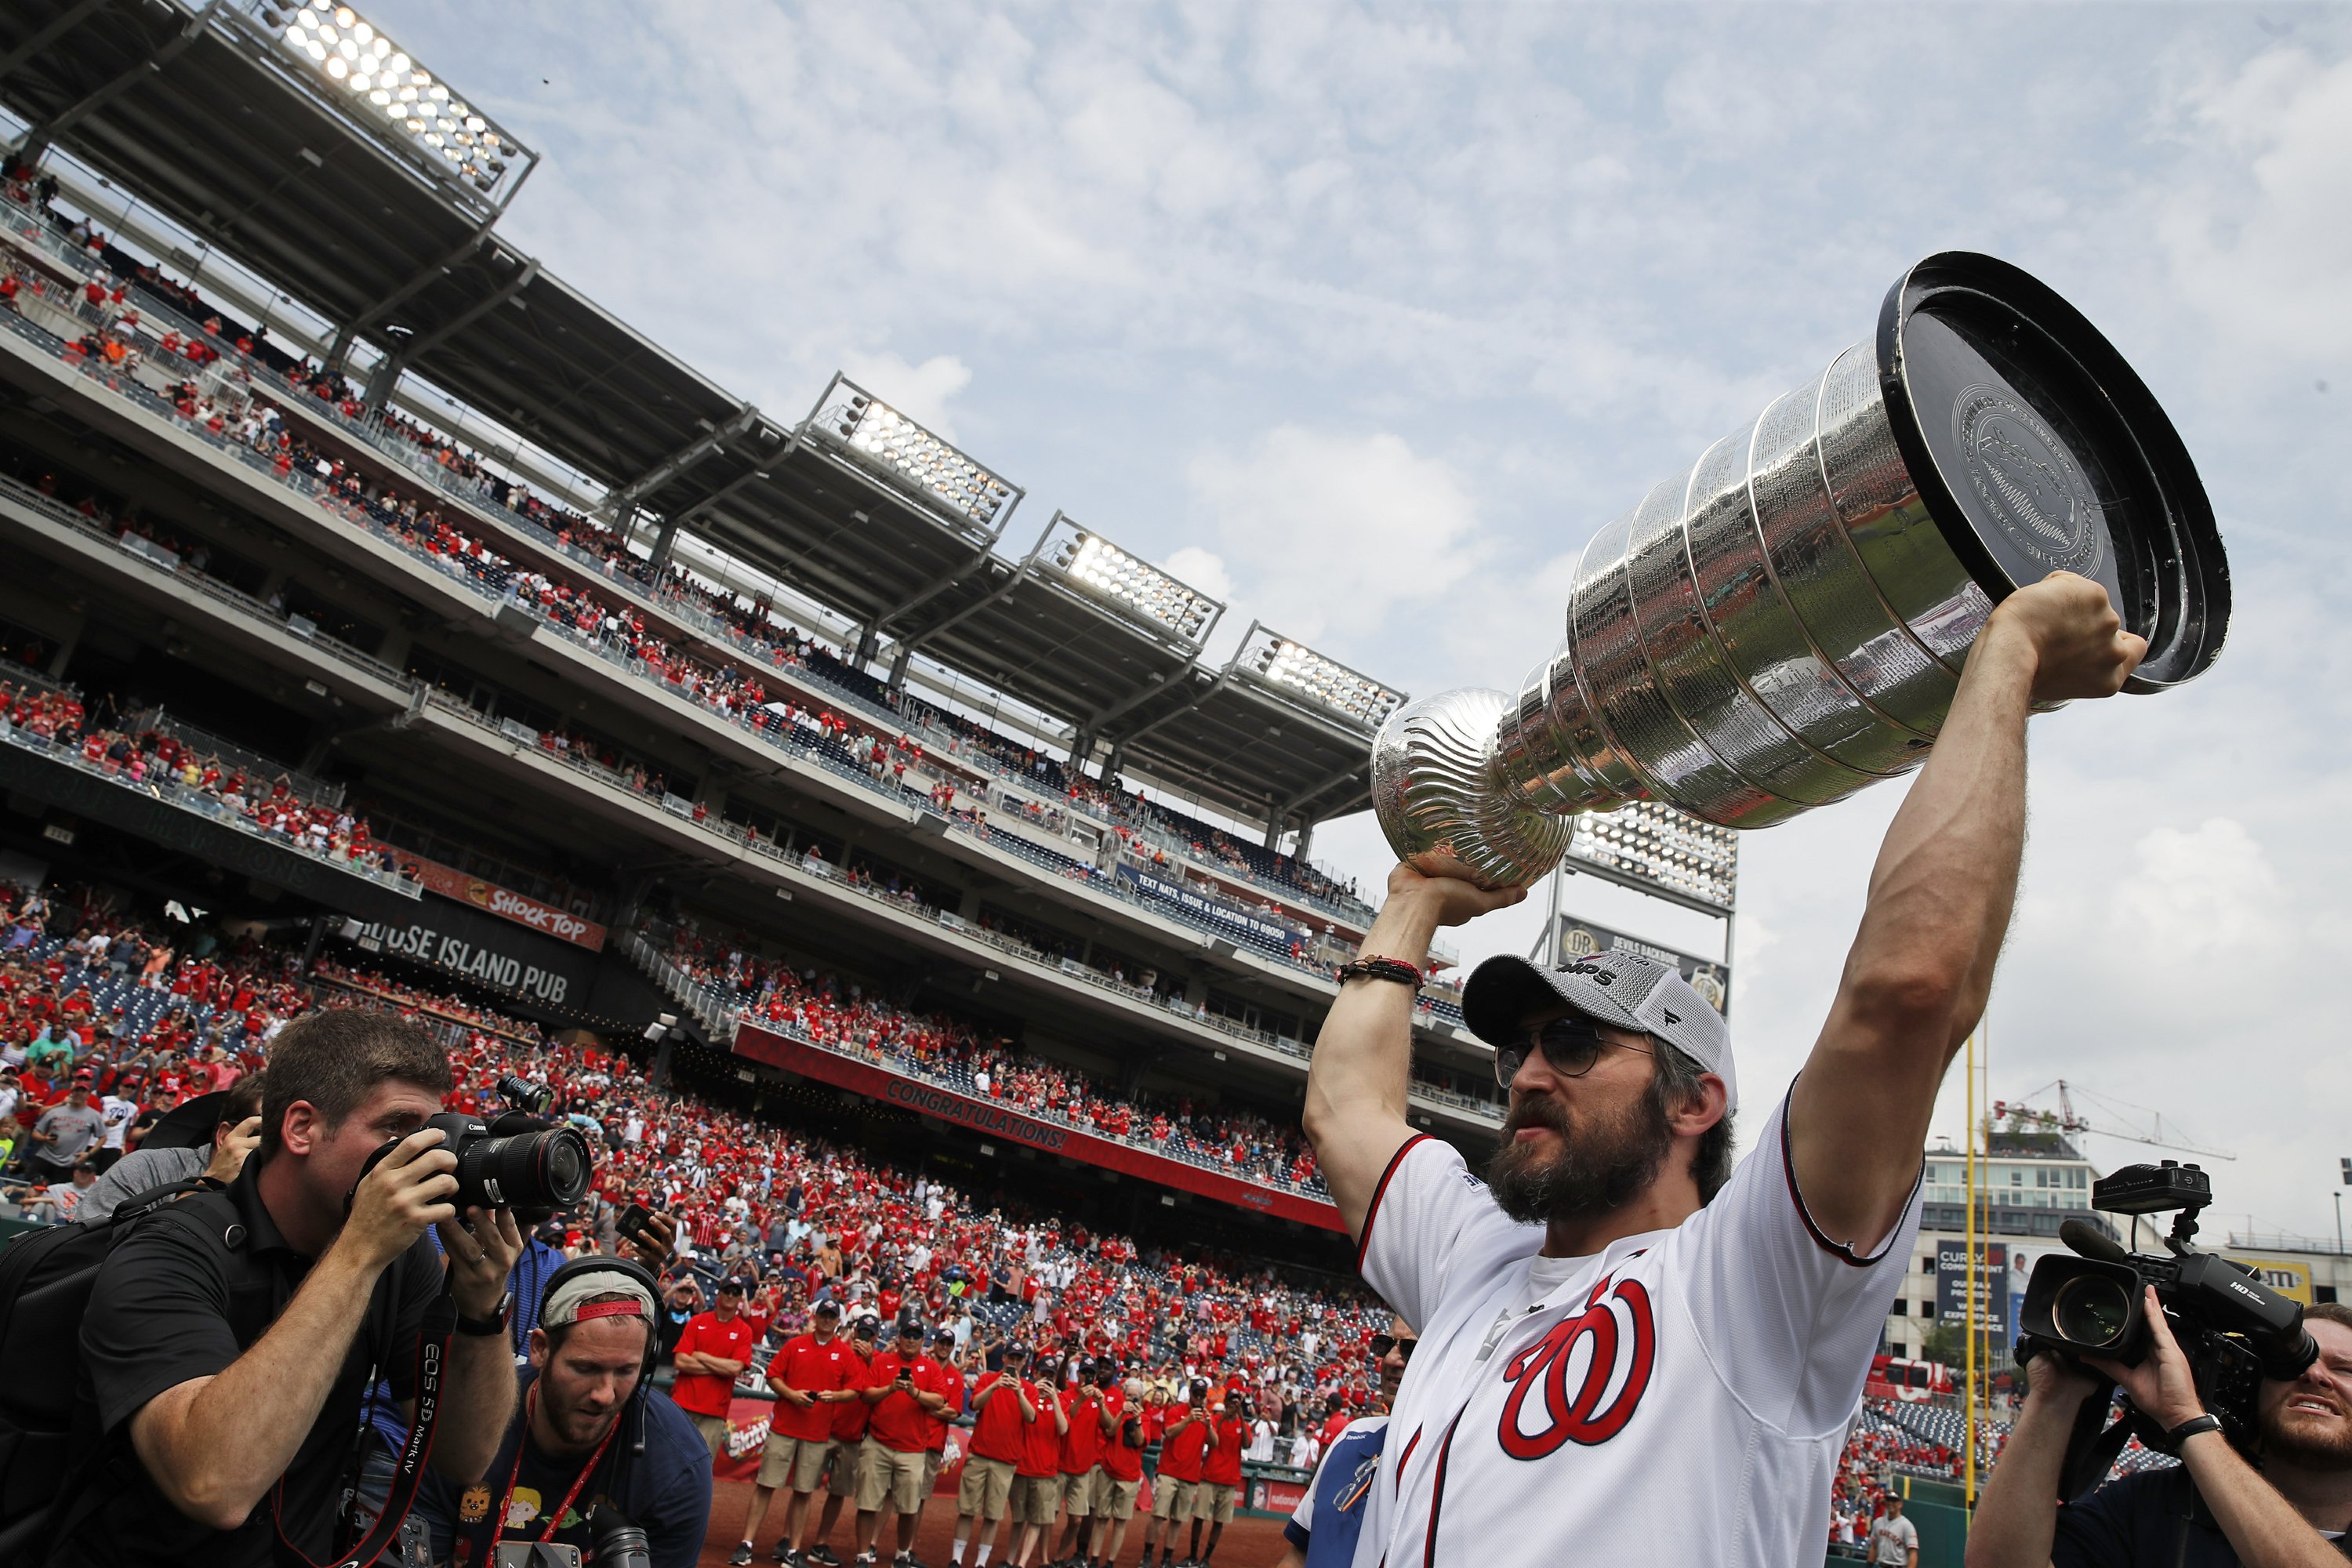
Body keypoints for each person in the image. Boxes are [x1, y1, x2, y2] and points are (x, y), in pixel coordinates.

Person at [1301, 572, 2143, 1566]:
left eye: (1575, 1044)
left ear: (1696, 1099)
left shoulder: (1752, 1280)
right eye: (1518, 1047)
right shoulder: (1473, 1259)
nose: (1528, 1072)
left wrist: (2007, 655)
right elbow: (1346, 1110)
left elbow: (1907, 991)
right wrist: (1414, 902)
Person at [53, 1008, 523, 1566]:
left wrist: (481, 1312)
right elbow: (213, 1485)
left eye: (428, 1133)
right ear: (302, 1128)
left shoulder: (401, 1257)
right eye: (395, 1129)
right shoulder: (170, 1246)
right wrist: (358, 1252)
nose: (420, 1155)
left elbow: (465, 1455)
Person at [1965, 1299, 2352, 1567]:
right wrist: (2055, 1396)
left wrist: (2188, 1418)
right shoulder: (2152, 1505)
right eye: (2293, 1361)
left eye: (2345, 1369)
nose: (2314, 1374)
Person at [415, 1257, 713, 1568]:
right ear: (540, 1350)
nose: (604, 1394)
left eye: (627, 1370)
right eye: (584, 1368)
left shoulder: (678, 1465)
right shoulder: (465, 1420)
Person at [1276, 1323, 1414, 1568]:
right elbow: (1299, 1555)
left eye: (1410, 1349)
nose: (1392, 1360)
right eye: (1387, 1345)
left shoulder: (1459, 1463)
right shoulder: (1351, 1435)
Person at [735, 1298, 862, 1566]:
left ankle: (793, 1550)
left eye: (832, 1316)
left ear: (838, 1321)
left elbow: (855, 1390)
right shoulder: (795, 1345)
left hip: (817, 1433)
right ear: (815, 1317)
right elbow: (773, 1375)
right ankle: (746, 1543)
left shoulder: (845, 1353)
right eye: (823, 1315)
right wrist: (792, 1394)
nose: (827, 1320)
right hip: (785, 1426)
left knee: (804, 1491)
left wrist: (835, 1396)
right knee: (766, 1484)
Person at [78, 1077, 263, 1221]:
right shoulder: (145, 1171)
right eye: (267, 1131)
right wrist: (209, 1184)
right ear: (225, 1137)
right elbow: (85, 1258)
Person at [856, 1314, 953, 1568]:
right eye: (907, 1335)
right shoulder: (883, 1361)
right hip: (878, 1442)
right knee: (868, 1503)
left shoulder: (931, 1368)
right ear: (898, 1337)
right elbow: (866, 1395)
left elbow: (940, 1401)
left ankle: (902, 1554)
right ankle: (863, 1555)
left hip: (912, 1448)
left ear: (923, 1341)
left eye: (916, 1336)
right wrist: (890, 1389)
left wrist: (914, 1392)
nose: (911, 1340)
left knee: (910, 1508)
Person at [952, 1342, 1036, 1568]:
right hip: (980, 1453)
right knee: (967, 1510)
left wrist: (1019, 1393)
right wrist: (996, 1386)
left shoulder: (1028, 1388)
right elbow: (976, 1403)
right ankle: (956, 1558)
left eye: (1019, 1359)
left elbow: (1031, 1418)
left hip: (1005, 1461)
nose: (1015, 1363)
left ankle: (981, 1562)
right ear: (1005, 1358)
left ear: (1024, 1361)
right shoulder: (988, 1379)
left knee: (992, 1514)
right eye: (1012, 1358)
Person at [673, 1276, 759, 1457]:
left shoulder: (744, 1331)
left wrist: (701, 1356)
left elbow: (735, 1368)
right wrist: (721, 1367)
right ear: (719, 1293)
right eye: (727, 1291)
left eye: (735, 1293)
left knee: (700, 1467)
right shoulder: (698, 1321)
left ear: (740, 1298)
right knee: (669, 1459)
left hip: (714, 1411)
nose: (730, 1295)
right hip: (682, 1404)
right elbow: (681, 1362)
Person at [1143, 1380, 1207, 1568]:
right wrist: (1188, 1420)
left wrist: (1209, 1425)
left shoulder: (1206, 1417)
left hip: (1190, 1475)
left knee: (1178, 1520)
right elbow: (1169, 1433)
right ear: (1190, 1394)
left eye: (1202, 1395)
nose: (1199, 1398)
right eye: (1196, 1394)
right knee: (1158, 1516)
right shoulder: (1176, 1411)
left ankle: (1166, 1559)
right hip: (1169, 1471)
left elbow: (1214, 1443)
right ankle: (1147, 1555)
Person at [1189, 1392, 1250, 1566]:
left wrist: (1241, 1417)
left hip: (1230, 1479)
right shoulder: (1216, 1420)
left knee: (1219, 1521)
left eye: (1237, 1402)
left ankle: (1206, 1558)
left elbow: (1246, 1444)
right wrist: (1226, 1416)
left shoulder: (1242, 1424)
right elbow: (1211, 1440)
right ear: (1225, 1402)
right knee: (1200, 1517)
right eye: (1231, 1401)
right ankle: (1193, 1555)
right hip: (1210, 1475)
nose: (1234, 1405)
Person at [25, 1069, 104, 1186]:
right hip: (45, 1157)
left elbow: (103, 1137)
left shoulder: (94, 1115)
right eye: (77, 1091)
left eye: (83, 1091)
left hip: (69, 1162)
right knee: (31, 1187)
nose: (79, 1094)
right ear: (71, 1092)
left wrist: (88, 1154)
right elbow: (36, 1132)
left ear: (88, 1094)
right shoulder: (56, 1111)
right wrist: (44, 1139)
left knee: (57, 1196)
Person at [1869, 1495, 1920, 1568]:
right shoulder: (1878, 1522)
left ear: (1900, 1504)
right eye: (1888, 1500)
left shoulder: (1906, 1525)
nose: (1890, 1503)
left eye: (1894, 1501)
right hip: (1881, 1565)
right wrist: (1869, 1564)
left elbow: (1913, 1553)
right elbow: (1874, 1547)